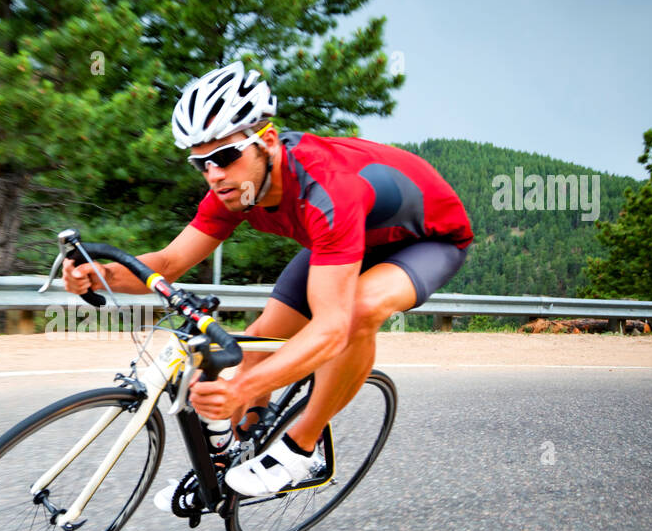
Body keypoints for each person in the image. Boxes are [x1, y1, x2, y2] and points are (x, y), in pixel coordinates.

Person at [63, 61, 473, 498]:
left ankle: (302, 447)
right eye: (200, 163)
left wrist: (243, 389)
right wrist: (99, 275)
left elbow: (331, 329)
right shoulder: (233, 188)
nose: (214, 174)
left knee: (356, 312)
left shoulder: (326, 188)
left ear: (268, 141)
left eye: (224, 156)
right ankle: (236, 459)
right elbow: (168, 261)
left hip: (425, 241)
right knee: (255, 348)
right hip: (342, 238)